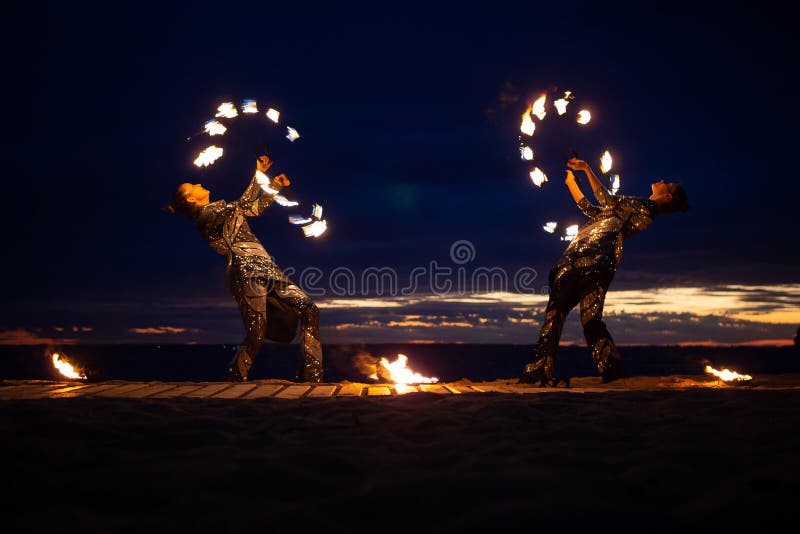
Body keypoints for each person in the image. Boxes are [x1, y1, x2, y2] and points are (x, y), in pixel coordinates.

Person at [519, 158, 688, 386]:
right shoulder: (622, 210)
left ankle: (612, 372)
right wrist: (571, 182)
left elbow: (606, 198)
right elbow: (590, 208)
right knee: (554, 316)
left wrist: (587, 168)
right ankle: (538, 373)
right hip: (572, 259)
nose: (660, 180)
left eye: (666, 184)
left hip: (596, 263)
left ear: (667, 196)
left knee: (590, 319)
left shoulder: (647, 207)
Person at [167, 147, 323, 382]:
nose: (199, 185)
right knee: (256, 334)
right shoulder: (207, 217)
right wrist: (259, 174)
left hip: (268, 268)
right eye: (193, 187)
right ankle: (234, 376)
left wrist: (275, 187)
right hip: (245, 273)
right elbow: (244, 204)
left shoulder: (222, 211)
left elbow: (254, 208)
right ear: (191, 199)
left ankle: (312, 373)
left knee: (309, 309)